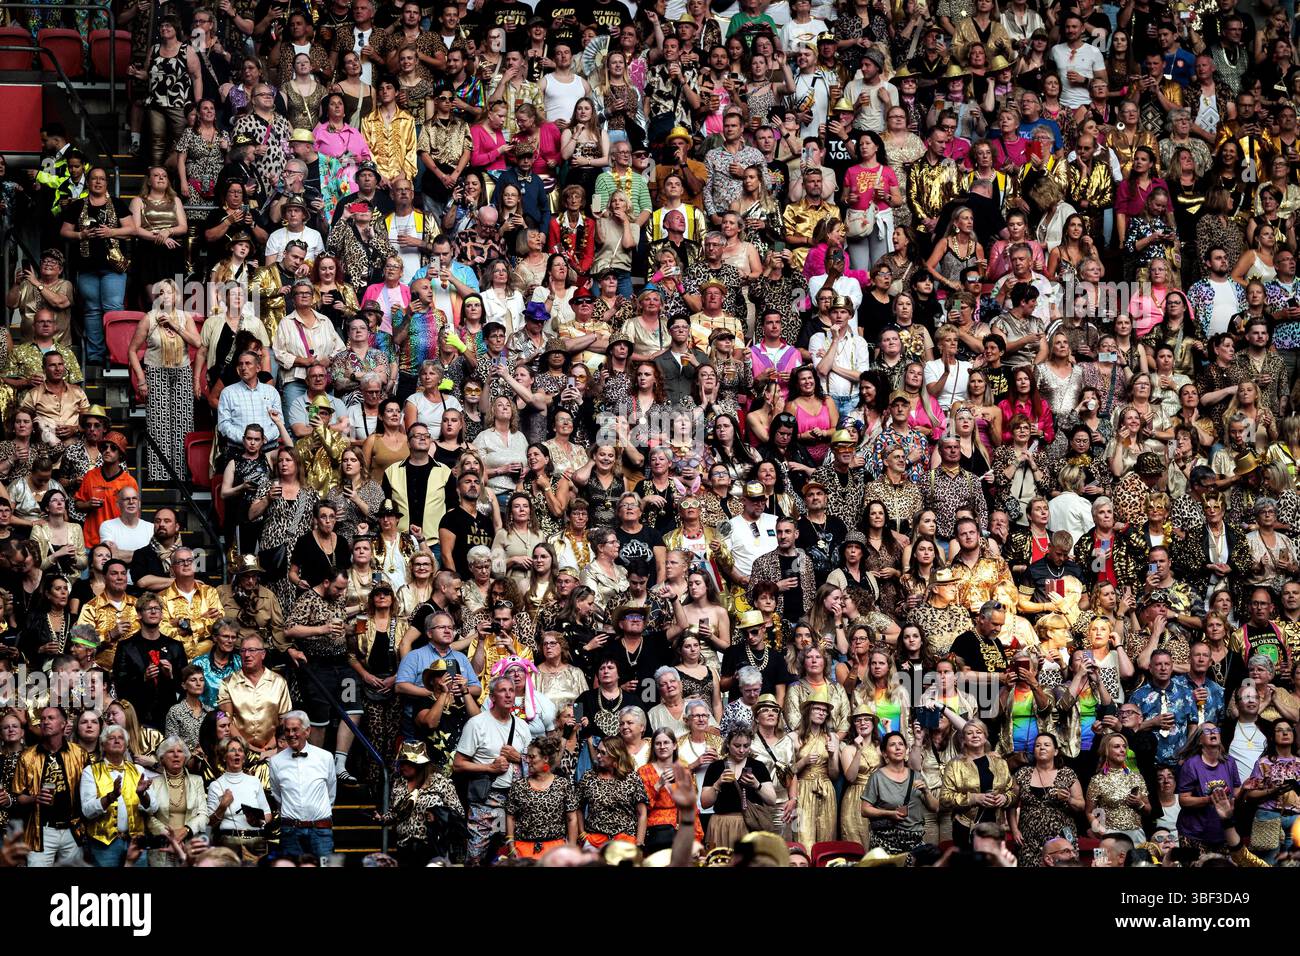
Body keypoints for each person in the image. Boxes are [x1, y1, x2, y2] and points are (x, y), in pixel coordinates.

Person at [453, 674, 532, 865]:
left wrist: (519, 758)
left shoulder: (522, 726)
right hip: (486, 802)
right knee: (475, 856)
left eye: (511, 691)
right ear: (492, 697)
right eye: (502, 690)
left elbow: (535, 764)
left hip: (516, 802)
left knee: (511, 856)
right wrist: (490, 767)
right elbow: (458, 764)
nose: (508, 695)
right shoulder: (477, 723)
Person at [269, 711, 339, 857]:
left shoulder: (325, 757)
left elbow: (331, 792)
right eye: (287, 730)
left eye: (295, 729)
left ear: (307, 731)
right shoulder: (276, 761)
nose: (290, 734)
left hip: (321, 829)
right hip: (290, 831)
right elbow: (277, 795)